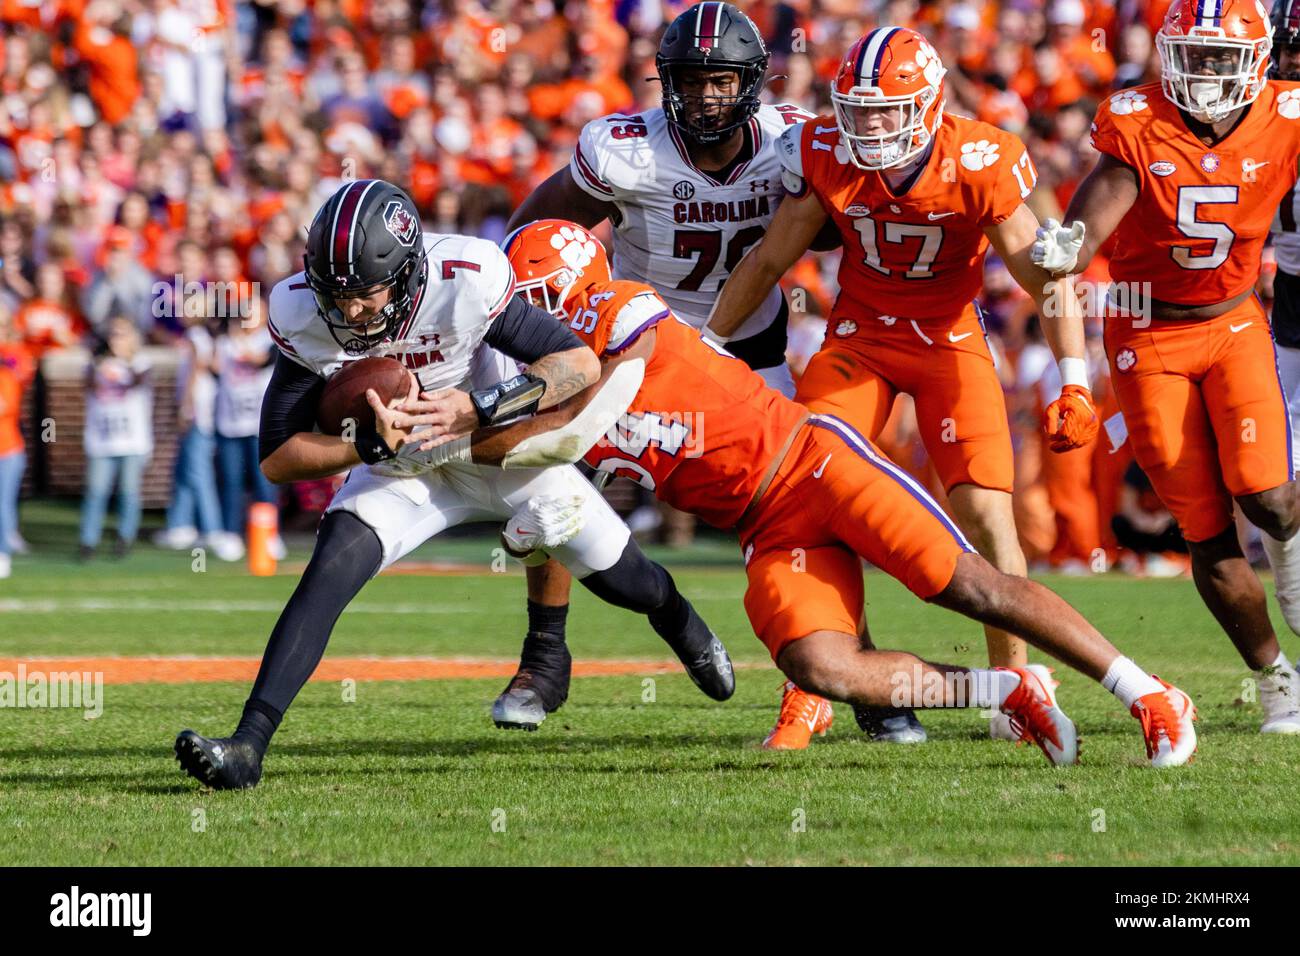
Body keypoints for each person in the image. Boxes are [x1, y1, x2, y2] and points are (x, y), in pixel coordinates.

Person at [488, 218, 1198, 768]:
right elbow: (526, 443)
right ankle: (1007, 688)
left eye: (531, 305)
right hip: (766, 525)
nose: (522, 331)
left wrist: (536, 437)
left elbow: (607, 389)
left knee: (972, 587)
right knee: (819, 665)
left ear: (572, 290)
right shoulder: (553, 401)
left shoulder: (619, 308)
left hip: (815, 464)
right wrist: (450, 444)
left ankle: (1149, 694)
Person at [173, 180, 734, 790]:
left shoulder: (465, 275)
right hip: (404, 467)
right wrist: (365, 446)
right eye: (336, 295)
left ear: (409, 272)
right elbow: (278, 459)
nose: (349, 312)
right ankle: (248, 747)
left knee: (632, 583)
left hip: (497, 452)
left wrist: (478, 406)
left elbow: (574, 363)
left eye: (363, 295)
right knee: (326, 576)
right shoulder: (305, 309)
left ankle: (678, 619)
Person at [706, 26, 1099, 744]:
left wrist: (1074, 378)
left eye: (888, 109)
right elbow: (766, 265)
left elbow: (1044, 283)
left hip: (950, 342)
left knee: (986, 513)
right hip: (862, 341)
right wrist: (706, 347)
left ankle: (1015, 686)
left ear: (929, 104)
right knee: (812, 495)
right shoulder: (826, 151)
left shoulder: (980, 157)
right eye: (859, 109)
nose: (871, 123)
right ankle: (818, 680)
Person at [501, 2, 878, 748]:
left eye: (721, 80)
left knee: (800, 505)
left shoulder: (790, 142)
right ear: (667, 81)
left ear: (752, 83)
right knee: (551, 473)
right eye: (692, 80)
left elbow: (846, 227)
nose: (707, 96)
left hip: (746, 345)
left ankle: (855, 671)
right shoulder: (625, 149)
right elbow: (537, 231)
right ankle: (544, 657)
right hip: (630, 340)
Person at [1032, 0, 1300, 734]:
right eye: (1195, 55)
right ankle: (1277, 680)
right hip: (1147, 337)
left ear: (1254, 59)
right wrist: (1061, 262)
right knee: (1207, 533)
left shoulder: (1288, 111)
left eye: (1221, 57)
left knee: (1271, 498)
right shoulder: (1136, 120)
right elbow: (1077, 246)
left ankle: (1294, 577)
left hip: (1235, 323)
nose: (1206, 72)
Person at [213, 302, 283, 559]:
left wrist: (241, 344)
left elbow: (264, 360)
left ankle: (269, 535)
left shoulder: (270, 341)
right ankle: (230, 534)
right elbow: (213, 367)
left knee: (264, 483)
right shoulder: (225, 343)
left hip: (259, 426)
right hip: (230, 424)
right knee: (231, 482)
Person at [79, 316, 152, 559]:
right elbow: (89, 384)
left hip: (132, 439)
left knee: (129, 492)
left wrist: (124, 358)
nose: (116, 339)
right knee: (96, 491)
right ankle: (88, 541)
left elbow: (136, 382)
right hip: (102, 439)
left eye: (122, 334)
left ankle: (125, 537)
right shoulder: (96, 363)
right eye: (113, 334)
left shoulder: (140, 362)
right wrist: (100, 360)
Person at [0, 303, 33, 578]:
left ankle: (4, 550)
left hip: (7, 443)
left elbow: (8, 400)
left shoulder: (12, 359)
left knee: (4, 501)